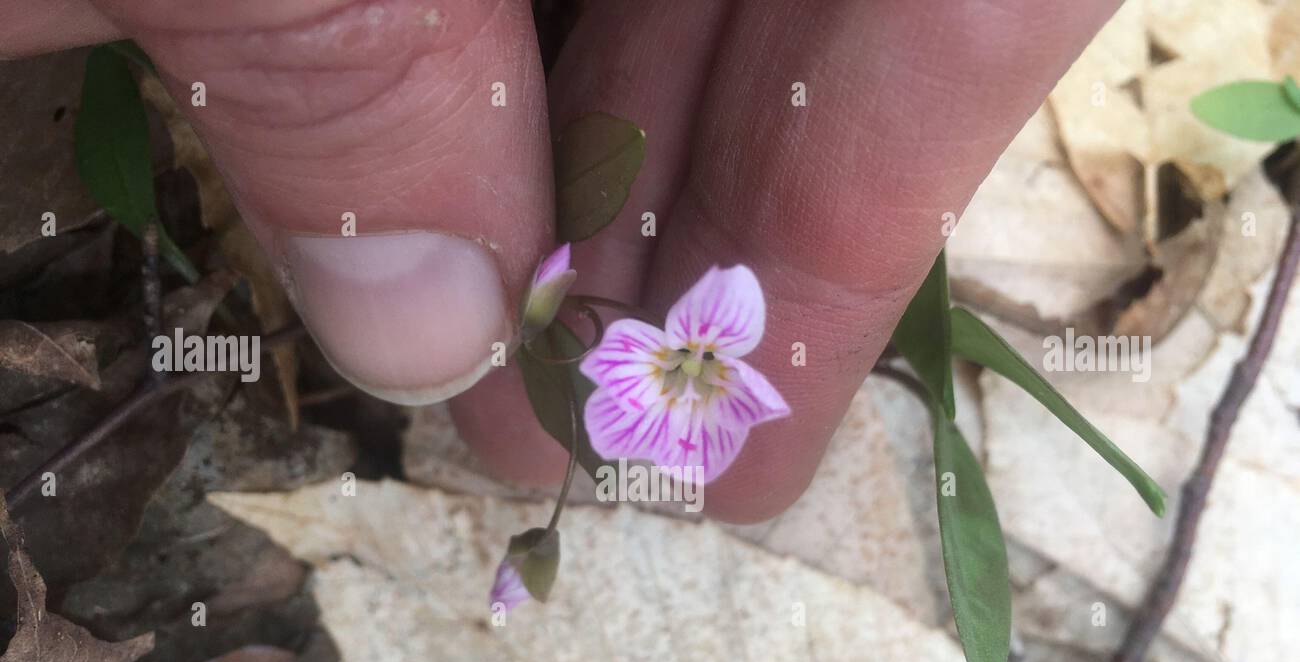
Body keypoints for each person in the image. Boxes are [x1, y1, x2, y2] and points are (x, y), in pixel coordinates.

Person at [2, 0, 1120, 522]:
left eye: (689, 373)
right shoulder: (687, 328)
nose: (689, 375)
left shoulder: (658, 347)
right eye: (695, 368)